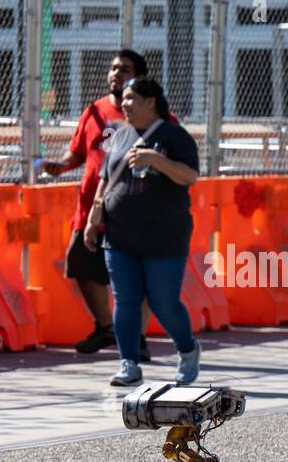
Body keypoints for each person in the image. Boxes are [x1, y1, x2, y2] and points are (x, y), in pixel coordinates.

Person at [85, 78, 201, 387]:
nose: (124, 104)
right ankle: (129, 364)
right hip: (119, 234)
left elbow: (189, 176)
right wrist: (93, 215)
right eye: (122, 99)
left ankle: (187, 350)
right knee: (124, 300)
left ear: (150, 101)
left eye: (131, 98)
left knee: (163, 302)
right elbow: (105, 178)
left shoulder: (174, 136)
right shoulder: (120, 136)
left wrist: (156, 160)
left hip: (164, 236)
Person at [40, 50, 154, 360]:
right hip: (91, 208)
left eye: (124, 69)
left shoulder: (152, 113)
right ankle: (107, 327)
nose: (116, 73)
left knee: (137, 274)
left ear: (139, 77)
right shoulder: (93, 112)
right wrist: (60, 166)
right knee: (80, 263)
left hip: (133, 210)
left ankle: (137, 337)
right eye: (114, 68)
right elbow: (77, 153)